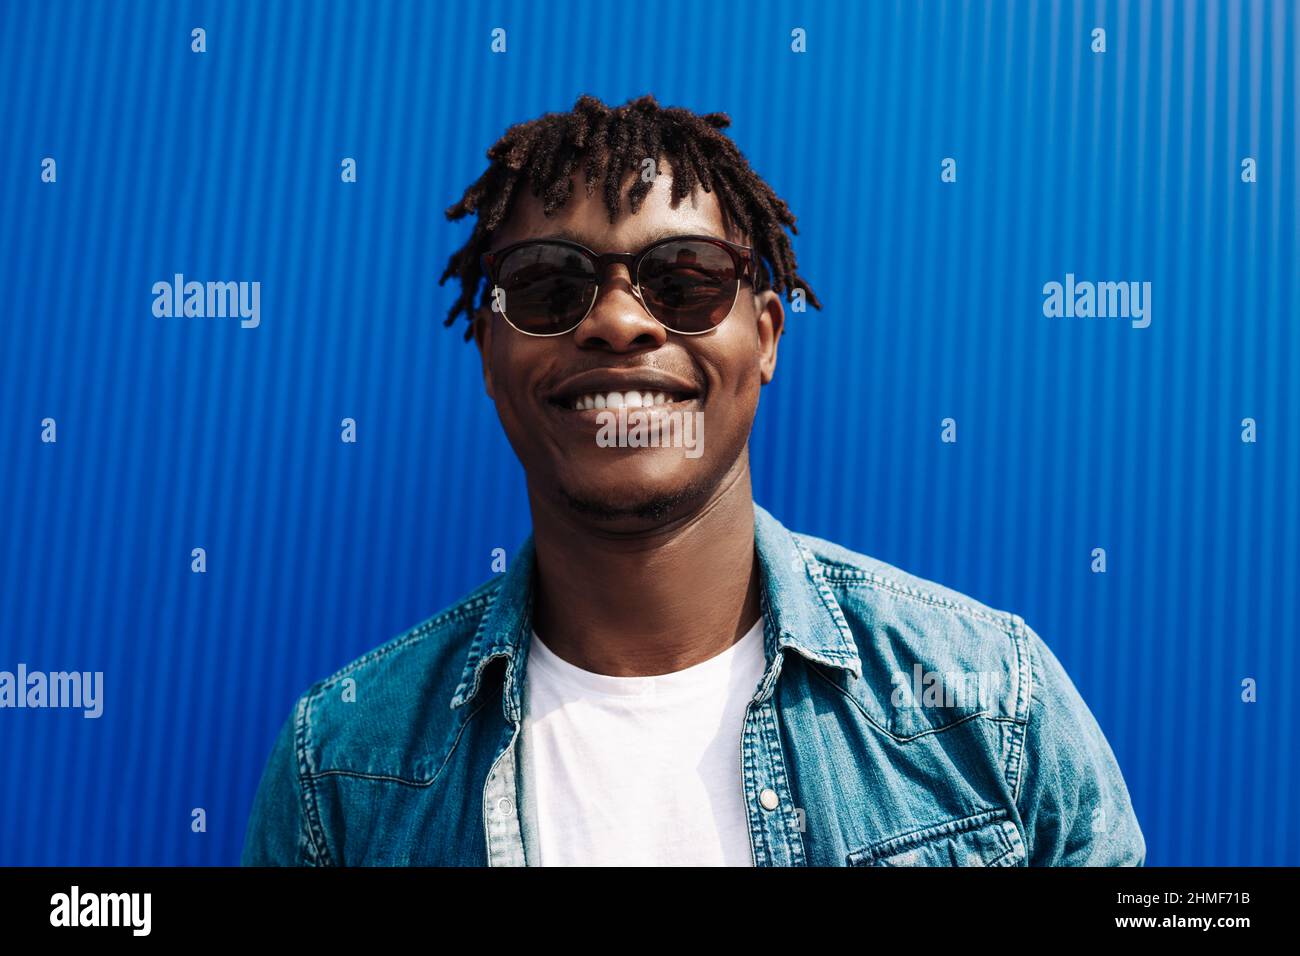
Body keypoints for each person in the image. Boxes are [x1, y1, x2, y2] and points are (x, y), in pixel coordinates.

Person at [242, 93, 1145, 867]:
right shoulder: (344, 768)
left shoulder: (990, 700)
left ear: (765, 338)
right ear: (489, 351)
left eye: (684, 279)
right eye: (552, 286)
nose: (621, 321)